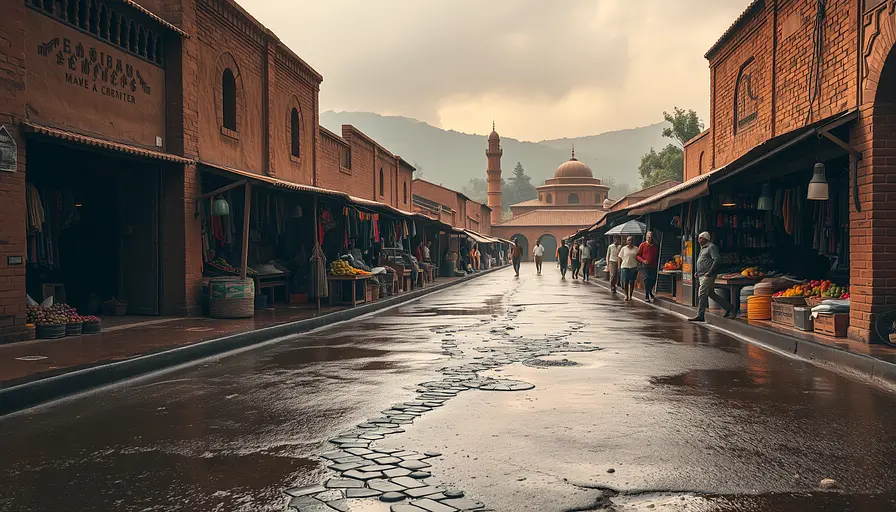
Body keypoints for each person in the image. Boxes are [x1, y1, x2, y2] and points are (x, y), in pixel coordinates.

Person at [689, 231, 734, 322]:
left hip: (708, 275)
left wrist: (710, 272)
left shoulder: (711, 247)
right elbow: (703, 261)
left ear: (705, 238)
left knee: (701, 294)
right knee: (710, 293)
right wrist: (697, 272)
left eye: (700, 238)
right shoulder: (703, 248)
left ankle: (700, 315)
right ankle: (729, 307)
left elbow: (716, 259)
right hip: (701, 274)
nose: (698, 240)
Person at [637, 231, 661, 303]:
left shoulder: (655, 246)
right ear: (646, 237)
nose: (650, 238)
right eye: (649, 237)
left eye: (651, 237)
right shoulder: (643, 245)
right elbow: (638, 255)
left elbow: (658, 256)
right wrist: (643, 260)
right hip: (645, 266)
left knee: (653, 280)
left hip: (654, 266)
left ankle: (650, 291)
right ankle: (647, 296)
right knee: (647, 279)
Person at [618, 236, 639, 301]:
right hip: (625, 267)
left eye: (631, 240)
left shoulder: (636, 249)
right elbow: (619, 257)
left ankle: (631, 295)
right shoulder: (623, 249)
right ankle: (626, 295)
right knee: (625, 282)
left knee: (632, 282)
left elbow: (638, 257)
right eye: (629, 240)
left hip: (633, 267)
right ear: (626, 241)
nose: (630, 241)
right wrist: (619, 266)